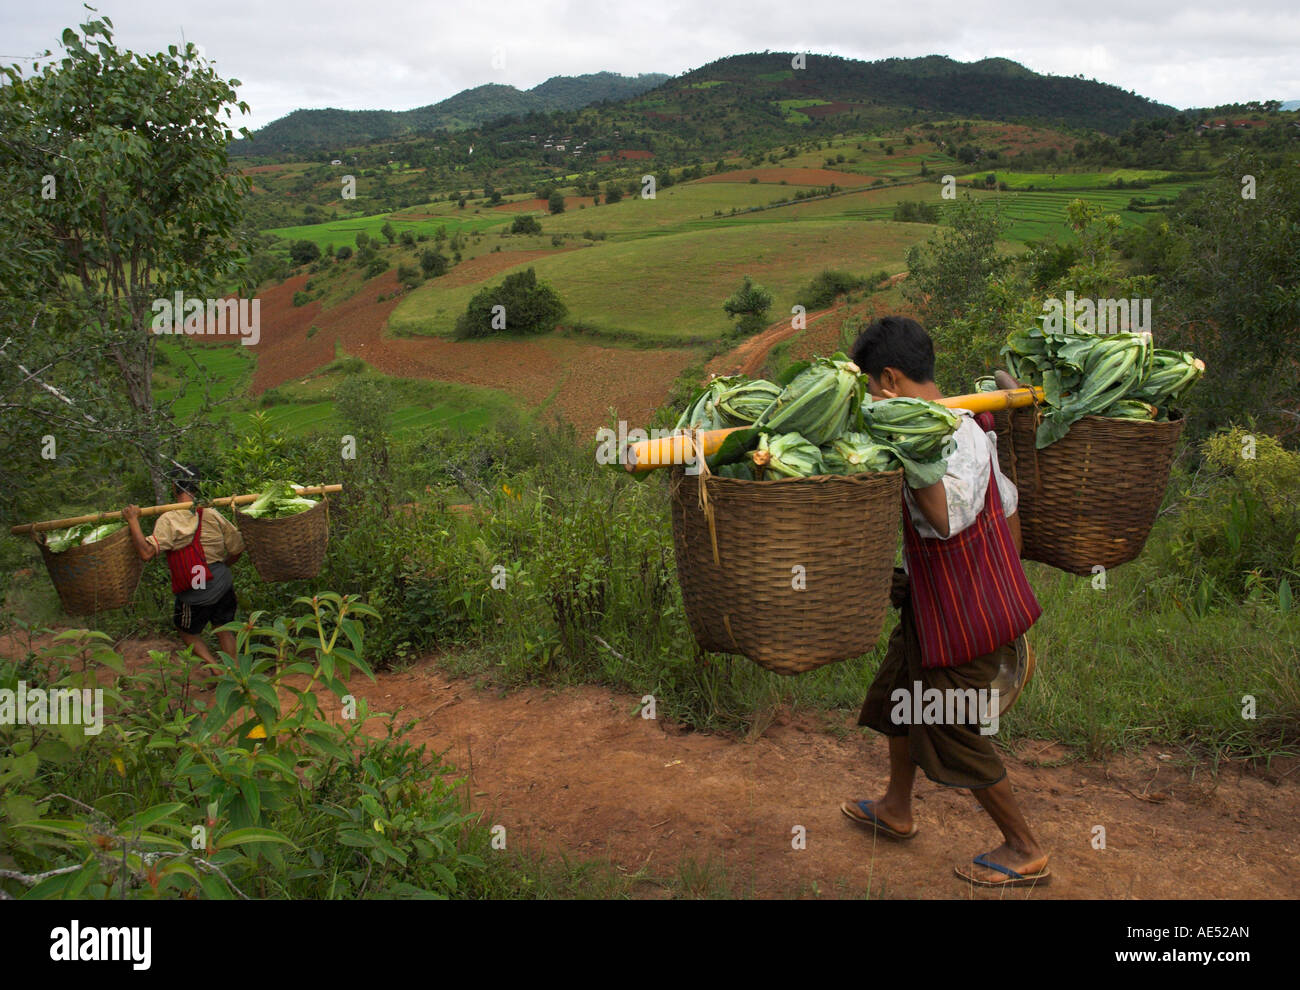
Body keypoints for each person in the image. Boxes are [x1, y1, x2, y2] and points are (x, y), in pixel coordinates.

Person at [841, 315, 1050, 888]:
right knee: (898, 696)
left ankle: (1023, 846)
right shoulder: (962, 429)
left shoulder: (947, 435)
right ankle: (897, 809)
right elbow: (1004, 503)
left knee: (950, 723)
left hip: (964, 617)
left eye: (866, 385)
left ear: (888, 380)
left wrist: (910, 444)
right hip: (932, 604)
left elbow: (944, 516)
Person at [123, 465, 244, 668]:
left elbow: (146, 552)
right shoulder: (212, 514)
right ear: (197, 487)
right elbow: (237, 548)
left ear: (173, 487)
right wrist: (222, 567)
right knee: (223, 626)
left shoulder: (169, 519)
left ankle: (215, 669)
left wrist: (133, 520)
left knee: (186, 631)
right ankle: (234, 672)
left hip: (195, 585)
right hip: (221, 580)